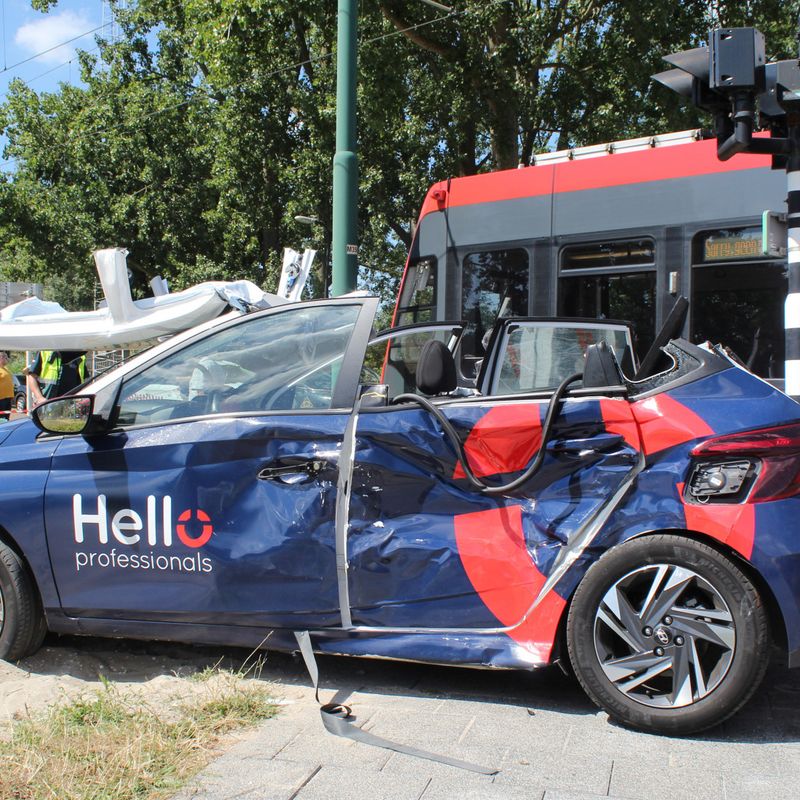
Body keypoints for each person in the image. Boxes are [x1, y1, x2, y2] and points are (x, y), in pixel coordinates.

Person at [0, 351, 13, 421]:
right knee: (1, 418)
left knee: (6, 418)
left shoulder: (6, 369)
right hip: (1, 398)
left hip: (8, 398)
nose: (7, 359)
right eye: (6, 357)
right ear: (1, 358)